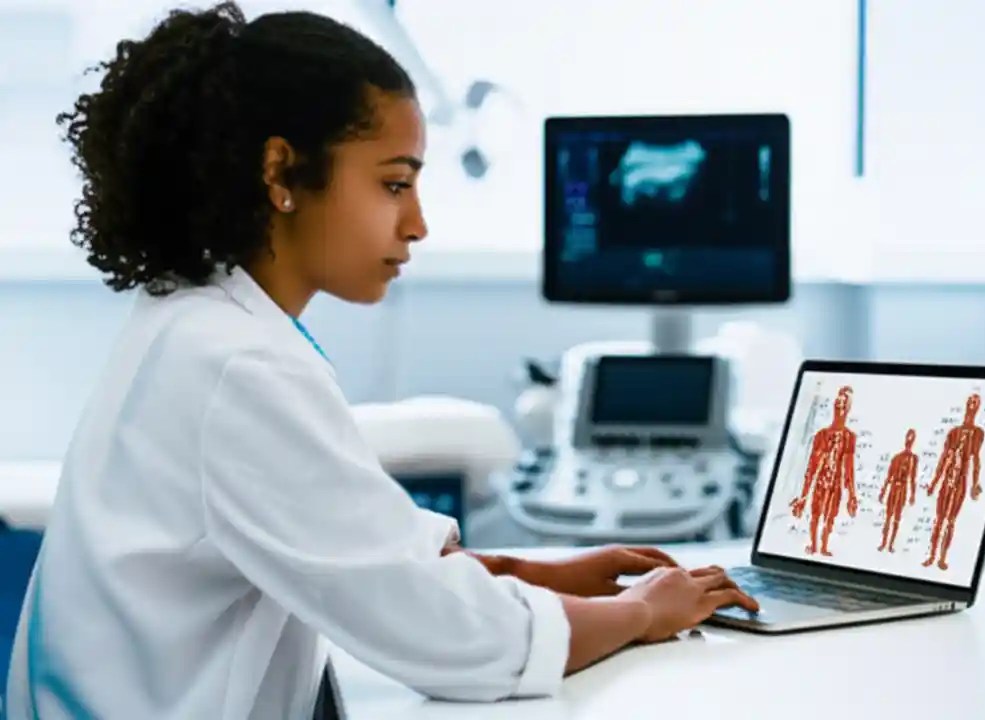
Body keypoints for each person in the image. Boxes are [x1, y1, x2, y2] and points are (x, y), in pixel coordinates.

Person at [4, 3, 756, 717]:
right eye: (394, 183)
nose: (419, 223)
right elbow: (461, 643)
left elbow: (353, 545)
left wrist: (534, 571)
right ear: (280, 174)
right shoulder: (238, 367)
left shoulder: (193, 319)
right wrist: (639, 611)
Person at [789, 385, 857, 556]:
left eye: (843, 406)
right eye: (837, 405)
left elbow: (848, 468)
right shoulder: (821, 435)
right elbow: (811, 467)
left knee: (830, 516)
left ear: (848, 409)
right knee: (815, 515)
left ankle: (824, 546)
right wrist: (803, 496)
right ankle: (813, 545)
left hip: (835, 483)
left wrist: (852, 495)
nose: (839, 409)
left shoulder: (849, 437)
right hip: (820, 481)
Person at [923, 394, 985, 571]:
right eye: (970, 402)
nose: (972, 406)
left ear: (978, 407)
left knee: (950, 520)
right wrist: (934, 483)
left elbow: (976, 459)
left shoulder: (978, 433)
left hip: (961, 481)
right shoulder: (953, 432)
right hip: (947, 479)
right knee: (939, 519)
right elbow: (944, 459)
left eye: (975, 403)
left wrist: (975, 483)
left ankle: (942, 558)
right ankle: (932, 555)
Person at [876, 429, 918, 553]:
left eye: (912, 439)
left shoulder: (913, 459)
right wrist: (883, 491)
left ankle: (891, 544)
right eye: (908, 438)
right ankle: (884, 543)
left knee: (897, 517)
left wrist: (912, 494)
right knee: (888, 516)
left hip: (903, 488)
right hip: (894, 487)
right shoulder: (896, 458)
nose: (909, 441)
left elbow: (913, 478)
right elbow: (889, 476)